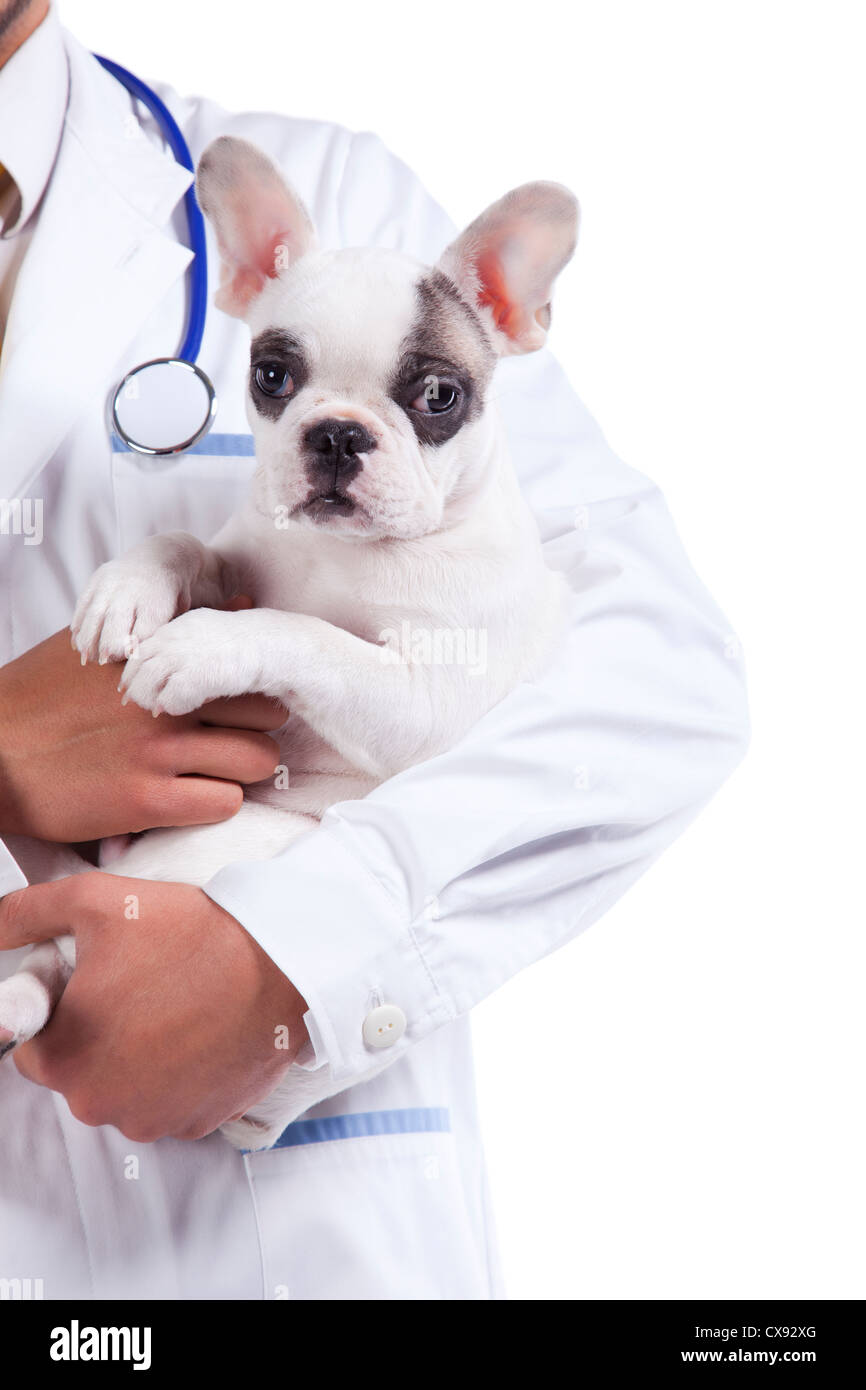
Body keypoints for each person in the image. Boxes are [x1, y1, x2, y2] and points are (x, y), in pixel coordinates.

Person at [0, 0, 749, 1300]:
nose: (343, 431)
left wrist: (288, 960)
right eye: (283, 380)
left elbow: (658, 673)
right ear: (254, 300)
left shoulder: (334, 207)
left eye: (420, 399)